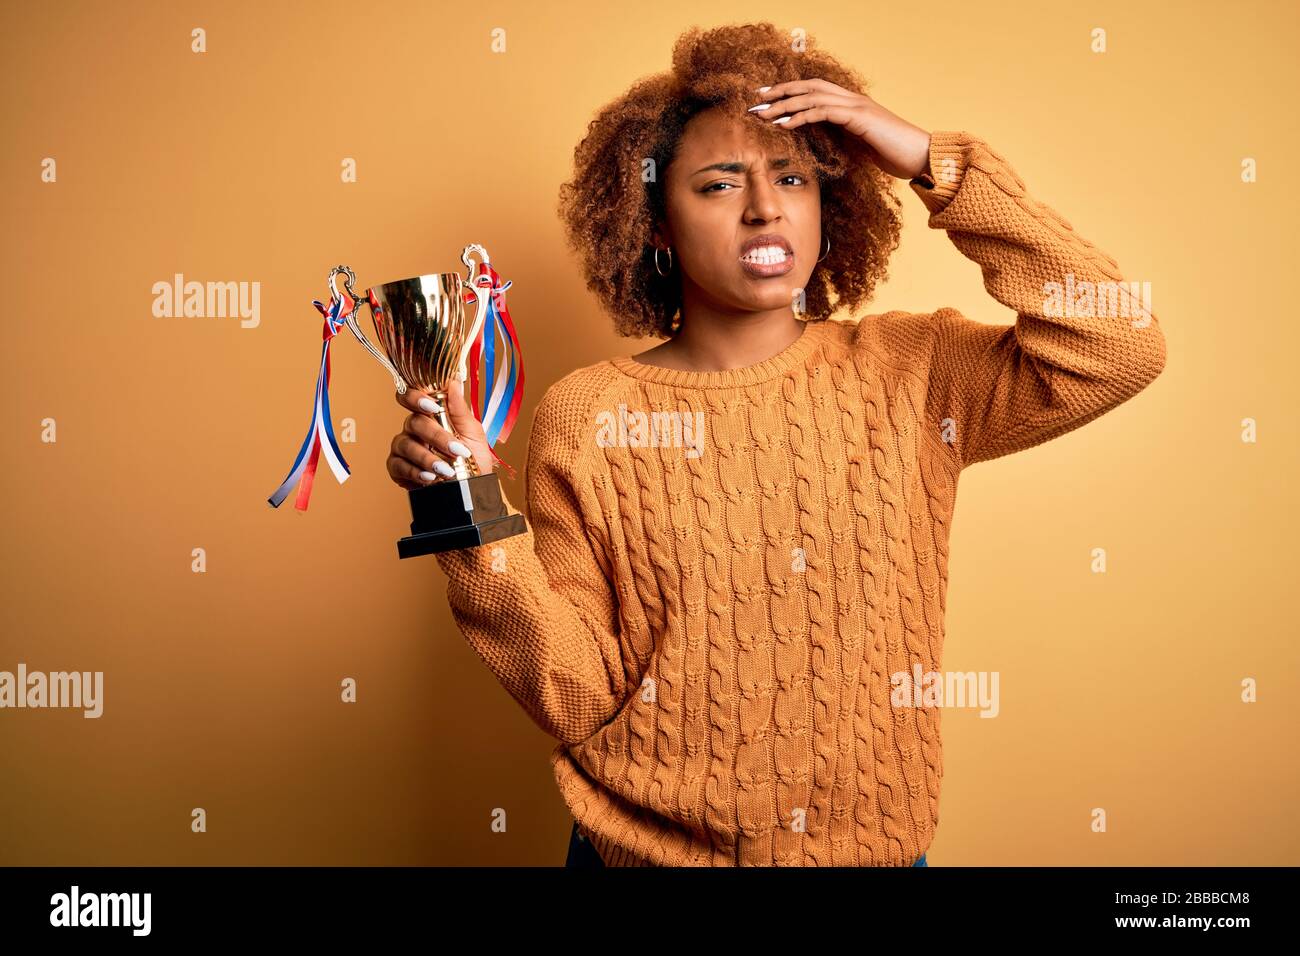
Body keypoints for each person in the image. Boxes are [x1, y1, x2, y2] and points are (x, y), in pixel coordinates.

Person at [385, 22, 1166, 867]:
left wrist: (933, 163)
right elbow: (575, 691)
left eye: (792, 177)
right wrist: (459, 507)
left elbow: (1118, 345)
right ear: (654, 225)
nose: (765, 206)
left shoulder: (915, 371)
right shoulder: (588, 414)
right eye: (719, 185)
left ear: (829, 204)